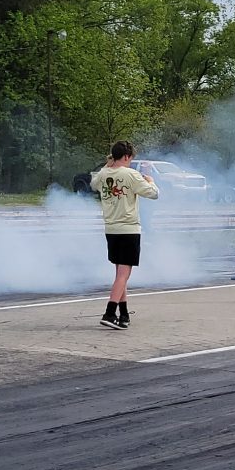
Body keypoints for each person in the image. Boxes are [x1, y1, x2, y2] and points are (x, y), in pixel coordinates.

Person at [92, 140, 160, 329]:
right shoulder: (131, 174)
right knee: (124, 274)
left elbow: (93, 183)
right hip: (129, 228)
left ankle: (123, 315)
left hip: (111, 229)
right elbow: (153, 194)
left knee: (119, 274)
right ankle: (109, 312)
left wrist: (109, 163)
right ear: (128, 156)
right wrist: (151, 181)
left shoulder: (103, 174)